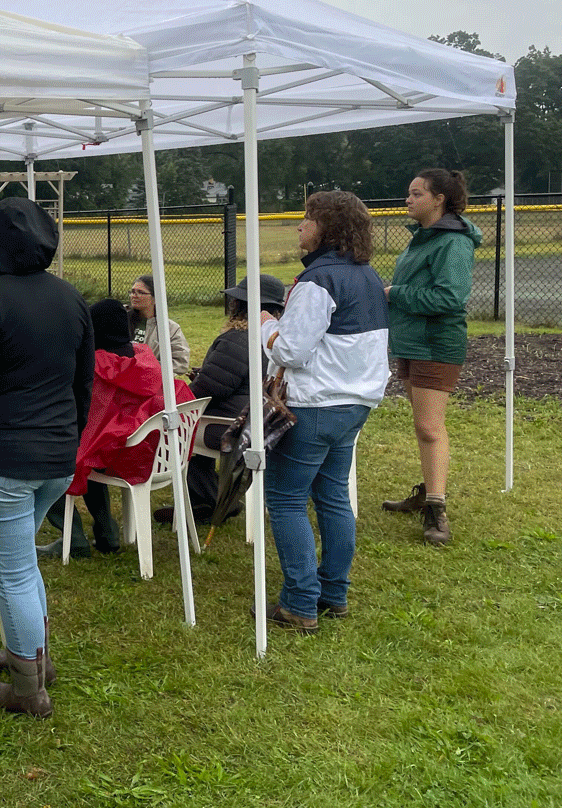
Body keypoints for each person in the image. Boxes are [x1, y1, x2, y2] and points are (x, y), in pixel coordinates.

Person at [0, 198, 93, 718]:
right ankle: (33, 656)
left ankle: (28, 689)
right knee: (22, 564)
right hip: (56, 458)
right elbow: (83, 386)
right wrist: (68, 438)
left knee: (12, 573)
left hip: (2, 461)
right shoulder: (72, 300)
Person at [258, 191, 389, 632]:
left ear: (326, 228)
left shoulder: (319, 281)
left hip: (315, 406)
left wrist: (267, 326)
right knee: (332, 496)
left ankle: (299, 603)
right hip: (355, 404)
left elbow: (292, 350)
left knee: (286, 499)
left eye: (307, 218)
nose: (300, 226)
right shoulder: (368, 276)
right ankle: (333, 592)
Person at [381, 169, 481, 546]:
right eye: (409, 193)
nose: (408, 199)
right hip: (411, 342)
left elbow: (450, 298)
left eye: (417, 193)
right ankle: (428, 489)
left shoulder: (453, 242)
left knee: (429, 426)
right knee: (423, 424)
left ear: (439, 199)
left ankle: (436, 509)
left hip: (436, 344)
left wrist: (394, 293)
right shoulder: (422, 238)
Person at [58, 299, 195, 542]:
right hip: (153, 455)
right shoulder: (146, 360)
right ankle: (106, 532)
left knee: (56, 461)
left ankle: (78, 538)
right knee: (95, 450)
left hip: (119, 457)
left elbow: (85, 420)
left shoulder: (98, 368)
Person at [185, 274, 288, 524]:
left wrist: (186, 394)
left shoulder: (237, 339)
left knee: (180, 430)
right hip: (270, 423)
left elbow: (208, 389)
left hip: (235, 427)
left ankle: (212, 501)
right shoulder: (281, 340)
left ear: (239, 305)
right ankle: (210, 499)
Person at [128, 273, 191, 376]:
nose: (134, 296)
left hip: (151, 380)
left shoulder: (170, 328)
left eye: (140, 292)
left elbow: (180, 363)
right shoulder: (121, 321)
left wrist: (147, 368)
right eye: (133, 292)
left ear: (155, 298)